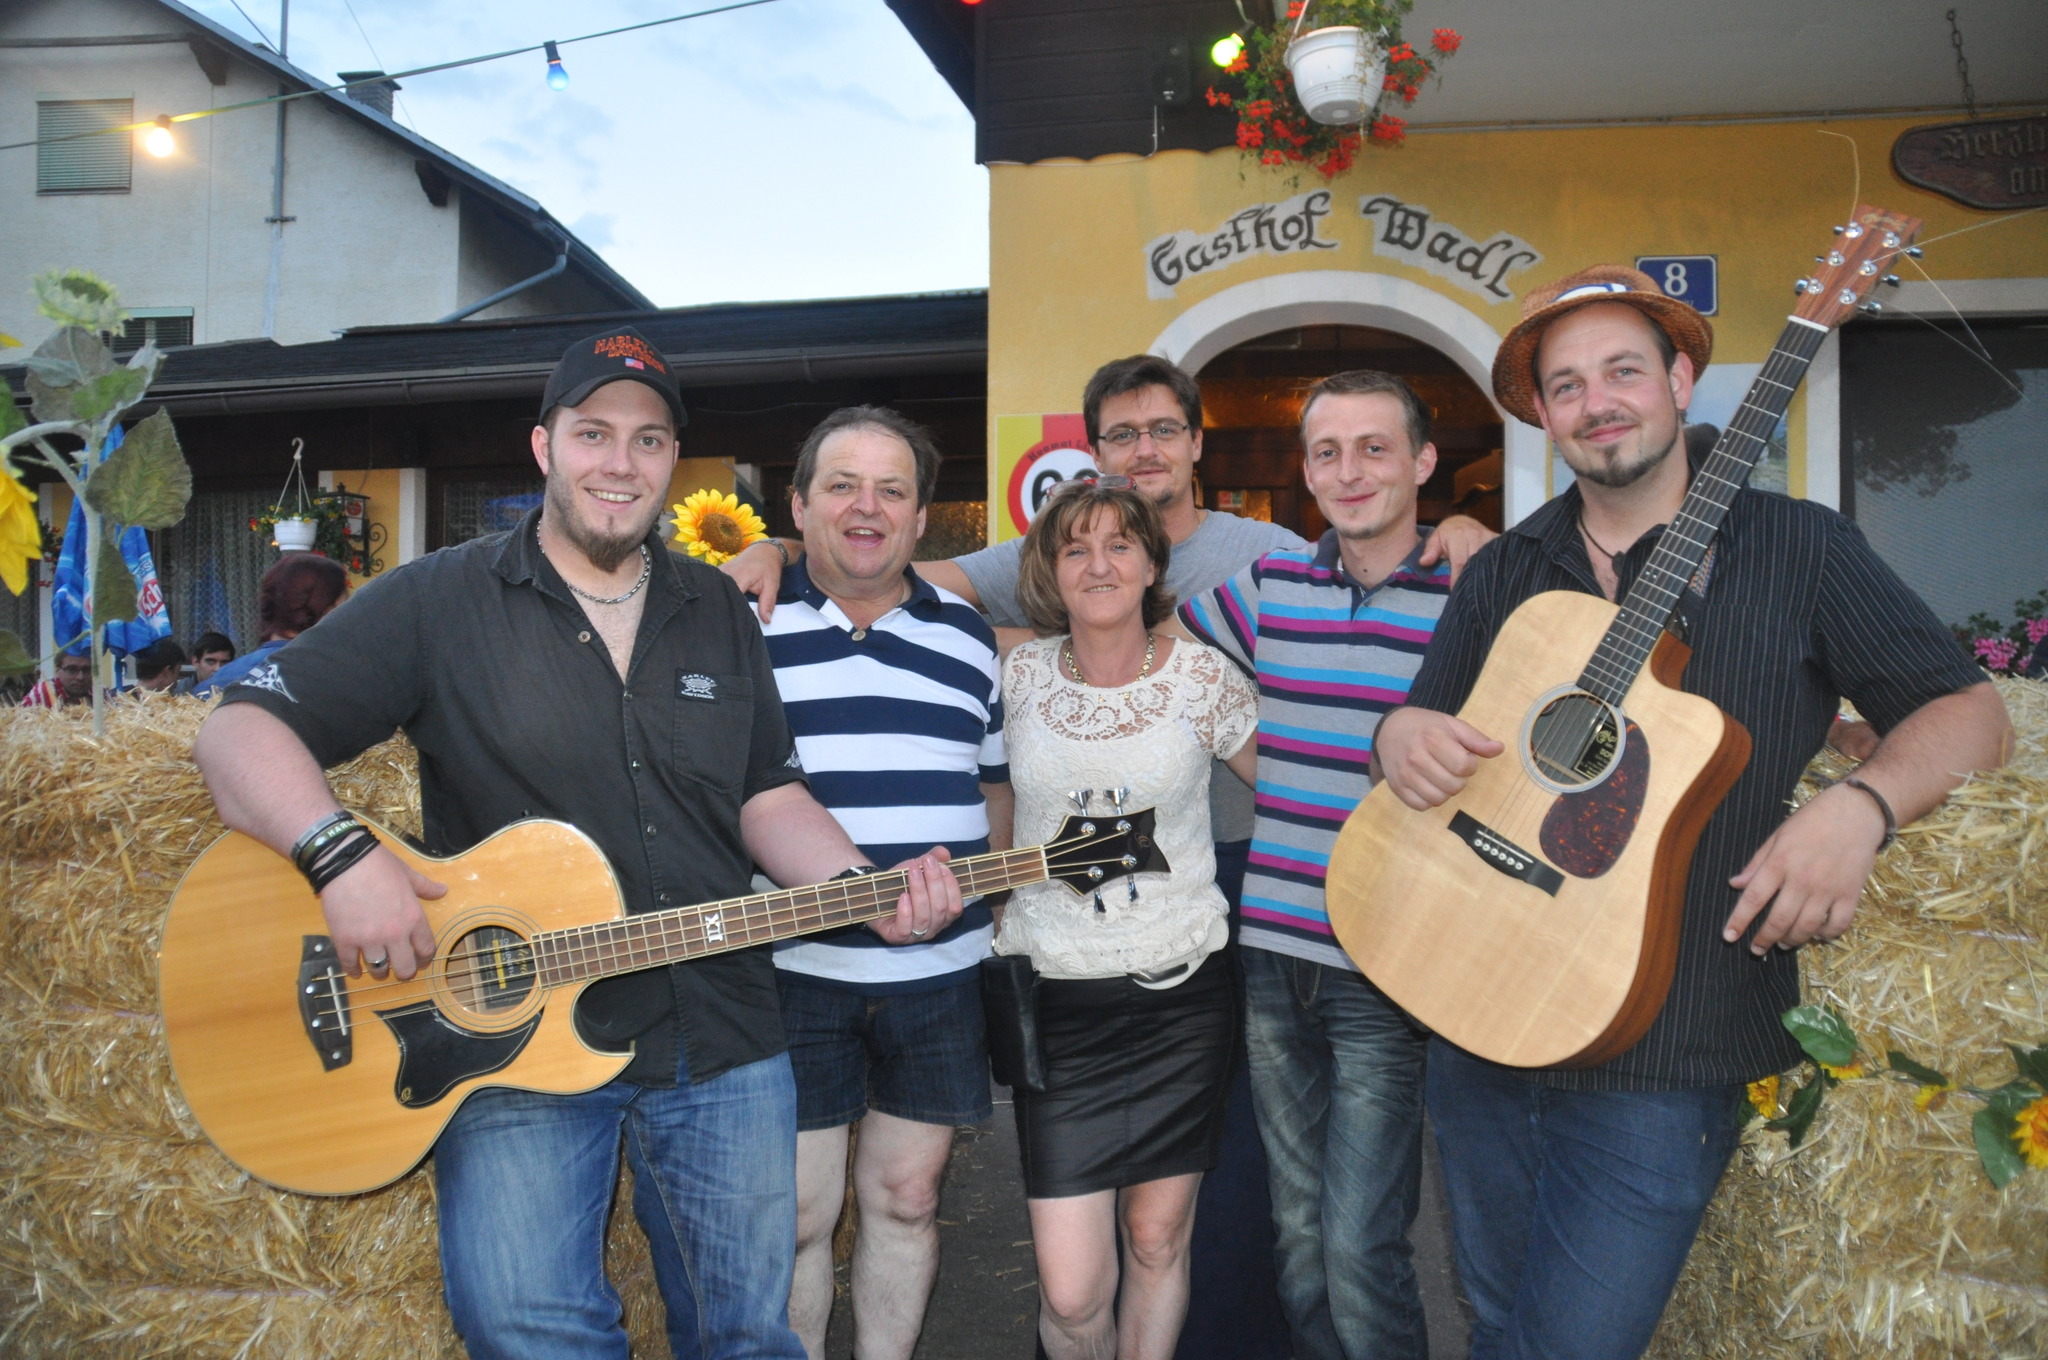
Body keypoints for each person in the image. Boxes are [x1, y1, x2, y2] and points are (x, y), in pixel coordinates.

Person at [190, 326, 967, 1360]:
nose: (620, 463)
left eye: (648, 441)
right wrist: (336, 854)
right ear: (544, 446)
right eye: (593, 433)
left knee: (746, 1334)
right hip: (508, 1043)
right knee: (527, 1327)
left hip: (720, 1036)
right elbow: (237, 730)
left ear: (670, 462)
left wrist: (865, 889)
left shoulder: (717, 607)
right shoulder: (440, 598)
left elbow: (766, 793)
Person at [724, 355, 1493, 1360]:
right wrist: (776, 547)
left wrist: (1469, 534)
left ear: (1192, 448)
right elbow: (901, 582)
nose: (1101, 558)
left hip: (1214, 928)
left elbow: (1296, 762)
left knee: (1277, 1227)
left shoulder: (1257, 569)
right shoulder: (1018, 654)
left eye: (1162, 430)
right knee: (1058, 1268)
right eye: (1122, 436)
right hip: (1053, 970)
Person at [1374, 265, 2012, 1360]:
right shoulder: (1505, 570)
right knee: (1497, 1325)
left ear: (1677, 381)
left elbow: (1970, 715)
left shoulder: (1802, 548)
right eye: (1566, 385)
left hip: (1665, 1047)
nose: (1597, 402)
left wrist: (1859, 808)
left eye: (1622, 371)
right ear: (1542, 416)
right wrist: (1397, 738)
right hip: (1476, 1019)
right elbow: (1425, 738)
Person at [1175, 371, 1457, 1360]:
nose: (1350, 471)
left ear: (1423, 461)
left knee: (1358, 1243)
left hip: (1387, 958)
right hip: (1271, 949)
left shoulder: (1472, 593)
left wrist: (1478, 536)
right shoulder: (1270, 586)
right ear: (1305, 472)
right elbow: (1147, 643)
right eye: (1328, 452)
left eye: (1375, 447)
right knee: (1295, 1236)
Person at [757, 406, 1013, 1360]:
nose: (867, 508)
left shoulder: (970, 637)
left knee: (907, 1200)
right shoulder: (743, 626)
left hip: (939, 976)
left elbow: (995, 785)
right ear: (799, 506)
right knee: (798, 1214)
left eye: (892, 491)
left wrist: (987, 900)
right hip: (793, 970)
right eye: (843, 486)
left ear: (920, 518)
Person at [997, 478, 1259, 1360]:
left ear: (1153, 565)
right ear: (1051, 570)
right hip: (1057, 1001)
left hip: (1182, 995)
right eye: (1076, 548)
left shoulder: (1203, 678)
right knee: (1072, 1294)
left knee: (1156, 1240)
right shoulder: (1017, 675)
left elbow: (1293, 787)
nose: (1099, 565)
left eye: (1119, 545)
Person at [192, 555, 348, 697]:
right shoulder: (332, 678)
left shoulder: (216, 682)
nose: (346, 620)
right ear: (327, 610)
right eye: (343, 608)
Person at [20, 648, 93, 708]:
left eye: (86, 670)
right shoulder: (41, 695)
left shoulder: (98, 693)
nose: (80, 677)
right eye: (72, 669)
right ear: (57, 671)